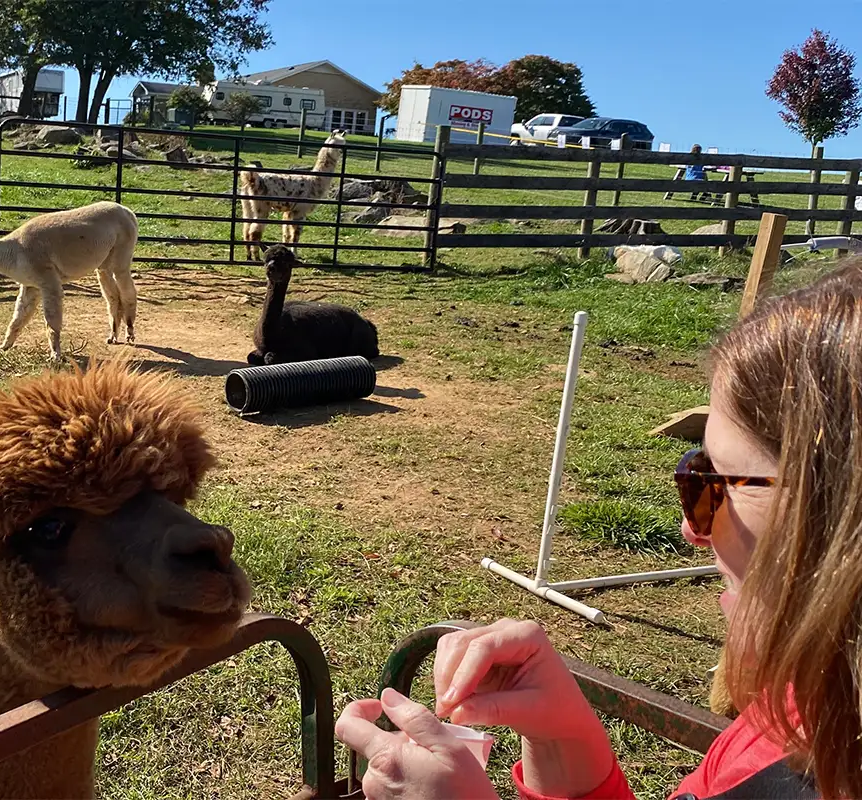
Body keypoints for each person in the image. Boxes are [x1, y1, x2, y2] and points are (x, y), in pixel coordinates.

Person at [336, 261, 862, 800]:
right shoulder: (810, 706)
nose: (690, 528)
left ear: (842, 518)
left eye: (716, 482)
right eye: (692, 472)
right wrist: (565, 745)